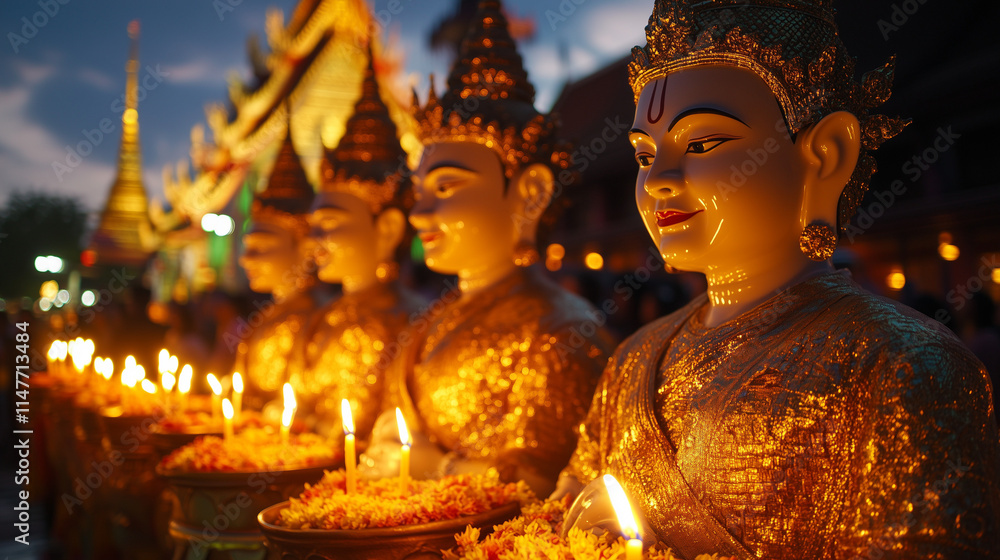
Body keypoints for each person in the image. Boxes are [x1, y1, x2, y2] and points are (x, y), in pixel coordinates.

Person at [557, 1, 1000, 558]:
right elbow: (568, 501)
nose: (660, 180)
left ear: (823, 155)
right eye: (646, 156)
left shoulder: (904, 366)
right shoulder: (631, 362)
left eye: (702, 143)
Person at [362, 0, 617, 496]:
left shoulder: (562, 333)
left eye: (448, 187)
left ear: (529, 194)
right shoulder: (435, 321)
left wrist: (430, 469)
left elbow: (551, 485)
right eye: (419, 193)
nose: (420, 214)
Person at [289, 41, 425, 440]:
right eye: (314, 227)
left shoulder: (412, 324)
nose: (315, 242)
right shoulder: (319, 320)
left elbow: (396, 436)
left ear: (387, 230)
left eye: (330, 224)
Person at [235, 121, 319, 411]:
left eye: (261, 247)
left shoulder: (314, 321)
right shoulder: (271, 314)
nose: (246, 259)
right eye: (247, 248)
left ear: (304, 249)